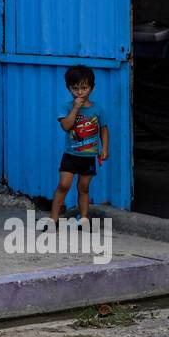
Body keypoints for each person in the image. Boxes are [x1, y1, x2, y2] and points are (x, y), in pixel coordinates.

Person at [50, 65, 109, 226]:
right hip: (70, 155)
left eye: (84, 88)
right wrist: (75, 108)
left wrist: (104, 148)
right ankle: (53, 218)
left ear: (92, 87)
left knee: (83, 188)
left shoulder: (98, 109)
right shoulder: (66, 107)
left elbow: (103, 129)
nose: (80, 92)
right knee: (64, 185)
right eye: (75, 88)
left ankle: (83, 219)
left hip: (89, 156)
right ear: (69, 88)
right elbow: (66, 126)